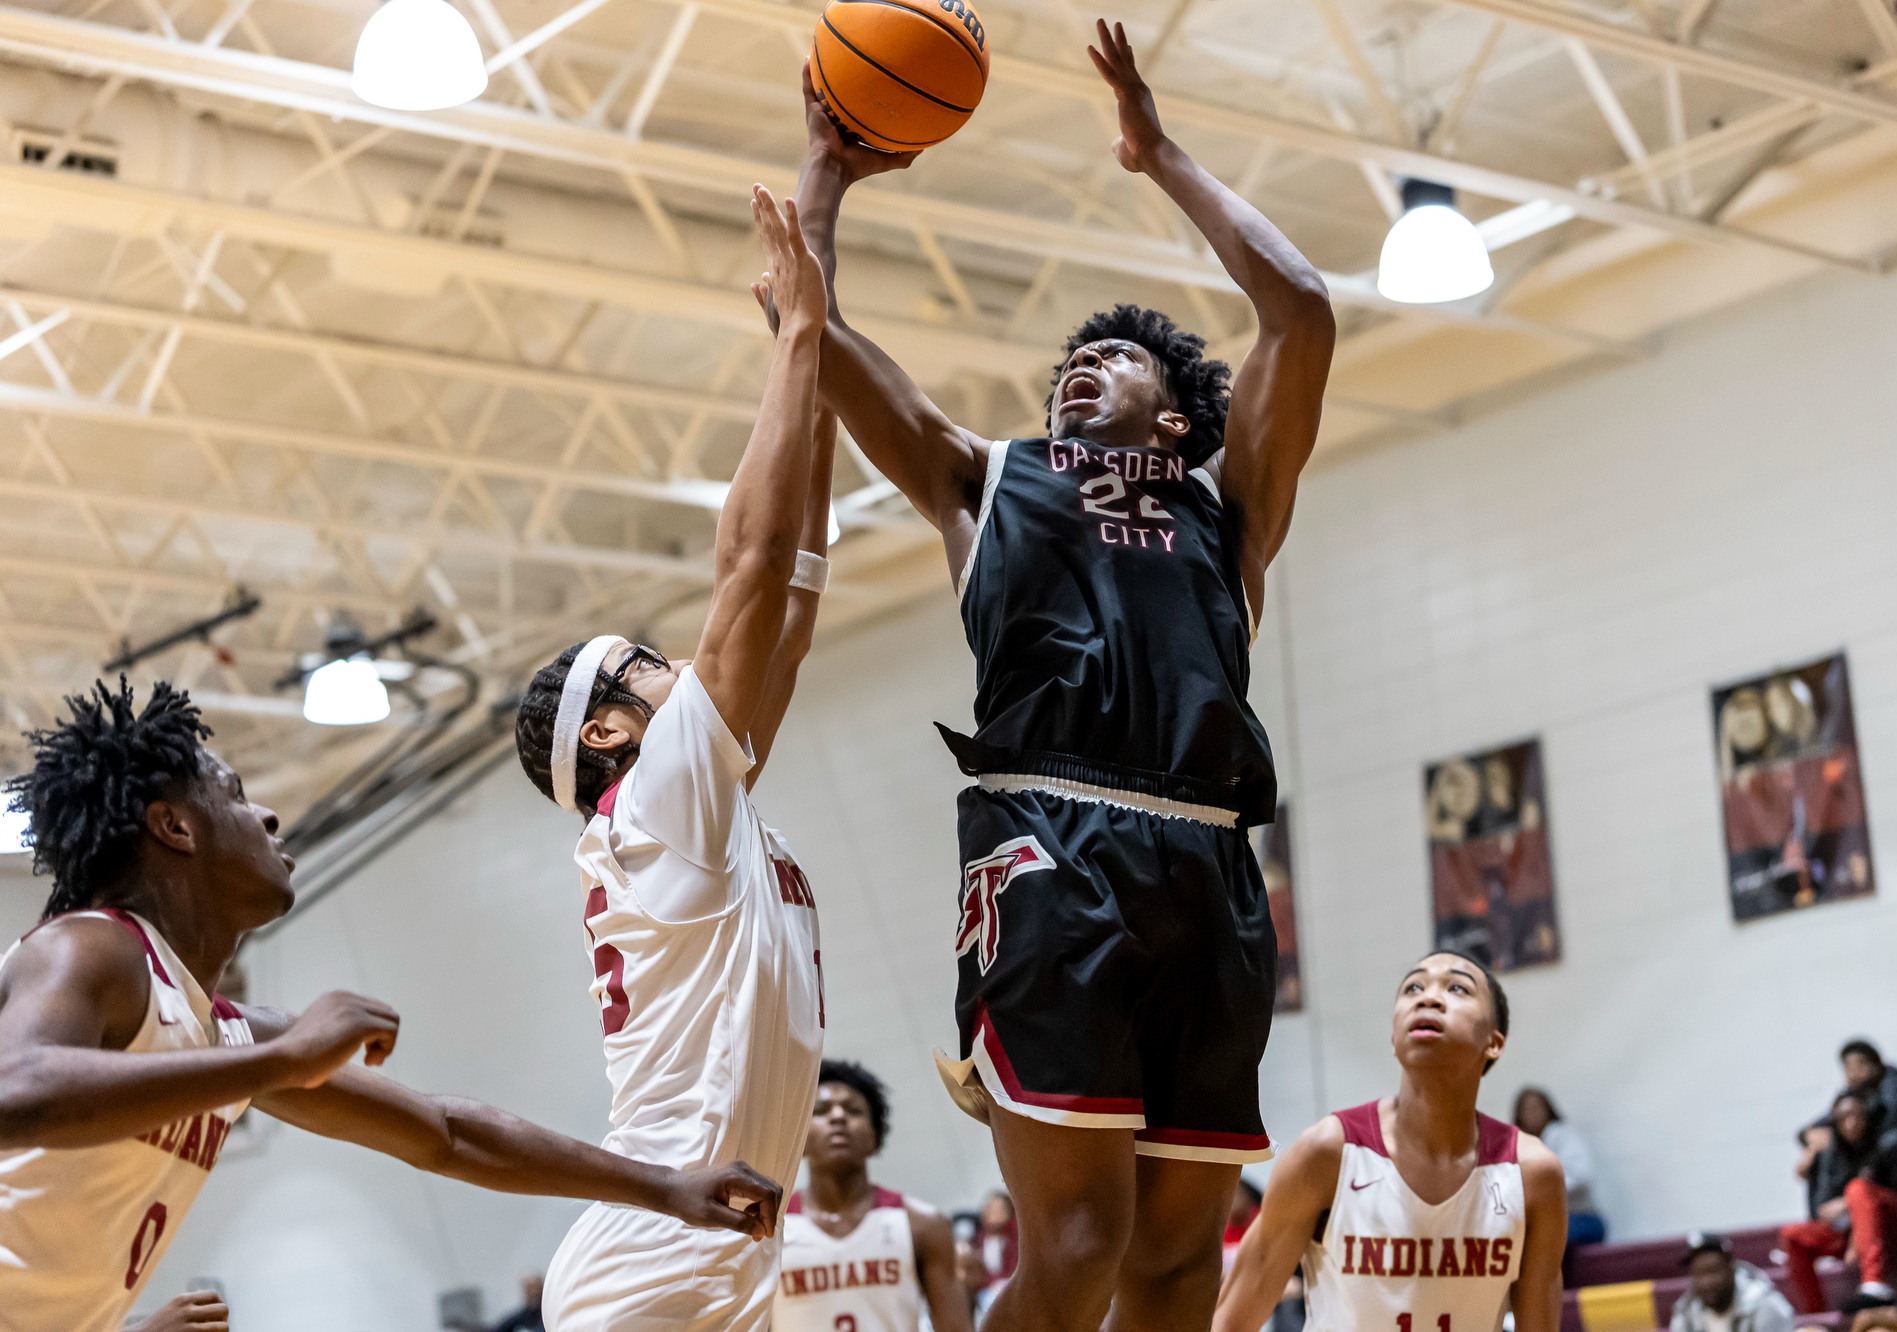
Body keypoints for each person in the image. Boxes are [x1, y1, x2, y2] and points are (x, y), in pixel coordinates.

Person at [794, 17, 1337, 1332]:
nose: (1079, 365)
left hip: (1210, 857)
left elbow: (1303, 310)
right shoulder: (989, 482)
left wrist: (1160, 157)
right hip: (1052, 841)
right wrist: (827, 170)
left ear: (1177, 411)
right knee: (1080, 1242)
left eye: (1117, 354)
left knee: (1173, 1266)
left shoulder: (1230, 512)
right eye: (1070, 360)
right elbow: (806, 329)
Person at [0, 680, 782, 1332]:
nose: (267, 816)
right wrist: (284, 1059)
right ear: (174, 827)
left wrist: (664, 1189)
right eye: (235, 795)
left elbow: (445, 1134)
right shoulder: (91, 947)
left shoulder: (219, 1031)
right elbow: (14, 1093)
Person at [509, 184, 835, 1332]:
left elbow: (792, 591)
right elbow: (746, 570)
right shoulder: (654, 808)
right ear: (605, 732)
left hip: (709, 1241)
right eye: (646, 663)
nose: (679, 672)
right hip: (663, 1252)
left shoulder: (693, 815)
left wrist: (821, 357)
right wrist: (797, 340)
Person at [1211, 952, 1566, 1332]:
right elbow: (1229, 1322)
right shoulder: (1326, 1154)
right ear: (1394, 1037)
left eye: (1458, 988)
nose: (1427, 998)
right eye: (1413, 987)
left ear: (1493, 1042)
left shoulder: (1532, 1175)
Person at [773, 1060, 972, 1332]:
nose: (838, 1117)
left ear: (875, 1137)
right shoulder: (769, 1230)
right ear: (800, 1137)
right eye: (820, 1111)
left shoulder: (925, 1225)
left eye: (853, 1110)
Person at [1781, 1091, 1897, 1311]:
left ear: (1869, 1115)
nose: (1850, 1124)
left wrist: (1852, 1202)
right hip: (1853, 1229)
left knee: (1858, 1189)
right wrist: (1854, 1214)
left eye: (1855, 1115)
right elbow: (1822, 1211)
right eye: (1843, 1119)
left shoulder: (1893, 1143)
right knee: (1792, 1234)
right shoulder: (1834, 1152)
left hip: (1895, 1228)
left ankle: (1874, 1282)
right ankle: (1816, 1312)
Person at [1512, 1088, 1606, 1247]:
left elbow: (1582, 1175)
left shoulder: (1561, 1136)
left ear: (1547, 1109)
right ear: (1519, 1116)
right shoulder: (1518, 1148)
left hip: (1581, 1218)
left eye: (1536, 1108)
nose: (1532, 1114)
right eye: (1527, 1110)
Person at [1667, 1233, 1795, 1332]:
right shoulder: (1685, 1314)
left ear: (1731, 1268)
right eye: (1698, 1275)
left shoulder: (1765, 1306)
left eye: (1713, 1271)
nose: (1706, 1282)